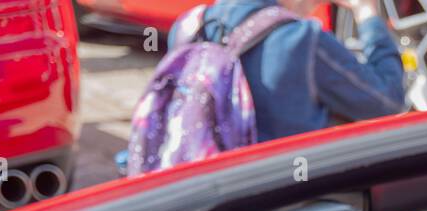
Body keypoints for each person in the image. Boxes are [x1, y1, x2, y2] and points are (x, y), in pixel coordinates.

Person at [168, 0, 407, 143]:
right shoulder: (302, 40)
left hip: (205, 195)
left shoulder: (190, 26)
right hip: (284, 205)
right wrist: (367, 14)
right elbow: (388, 101)